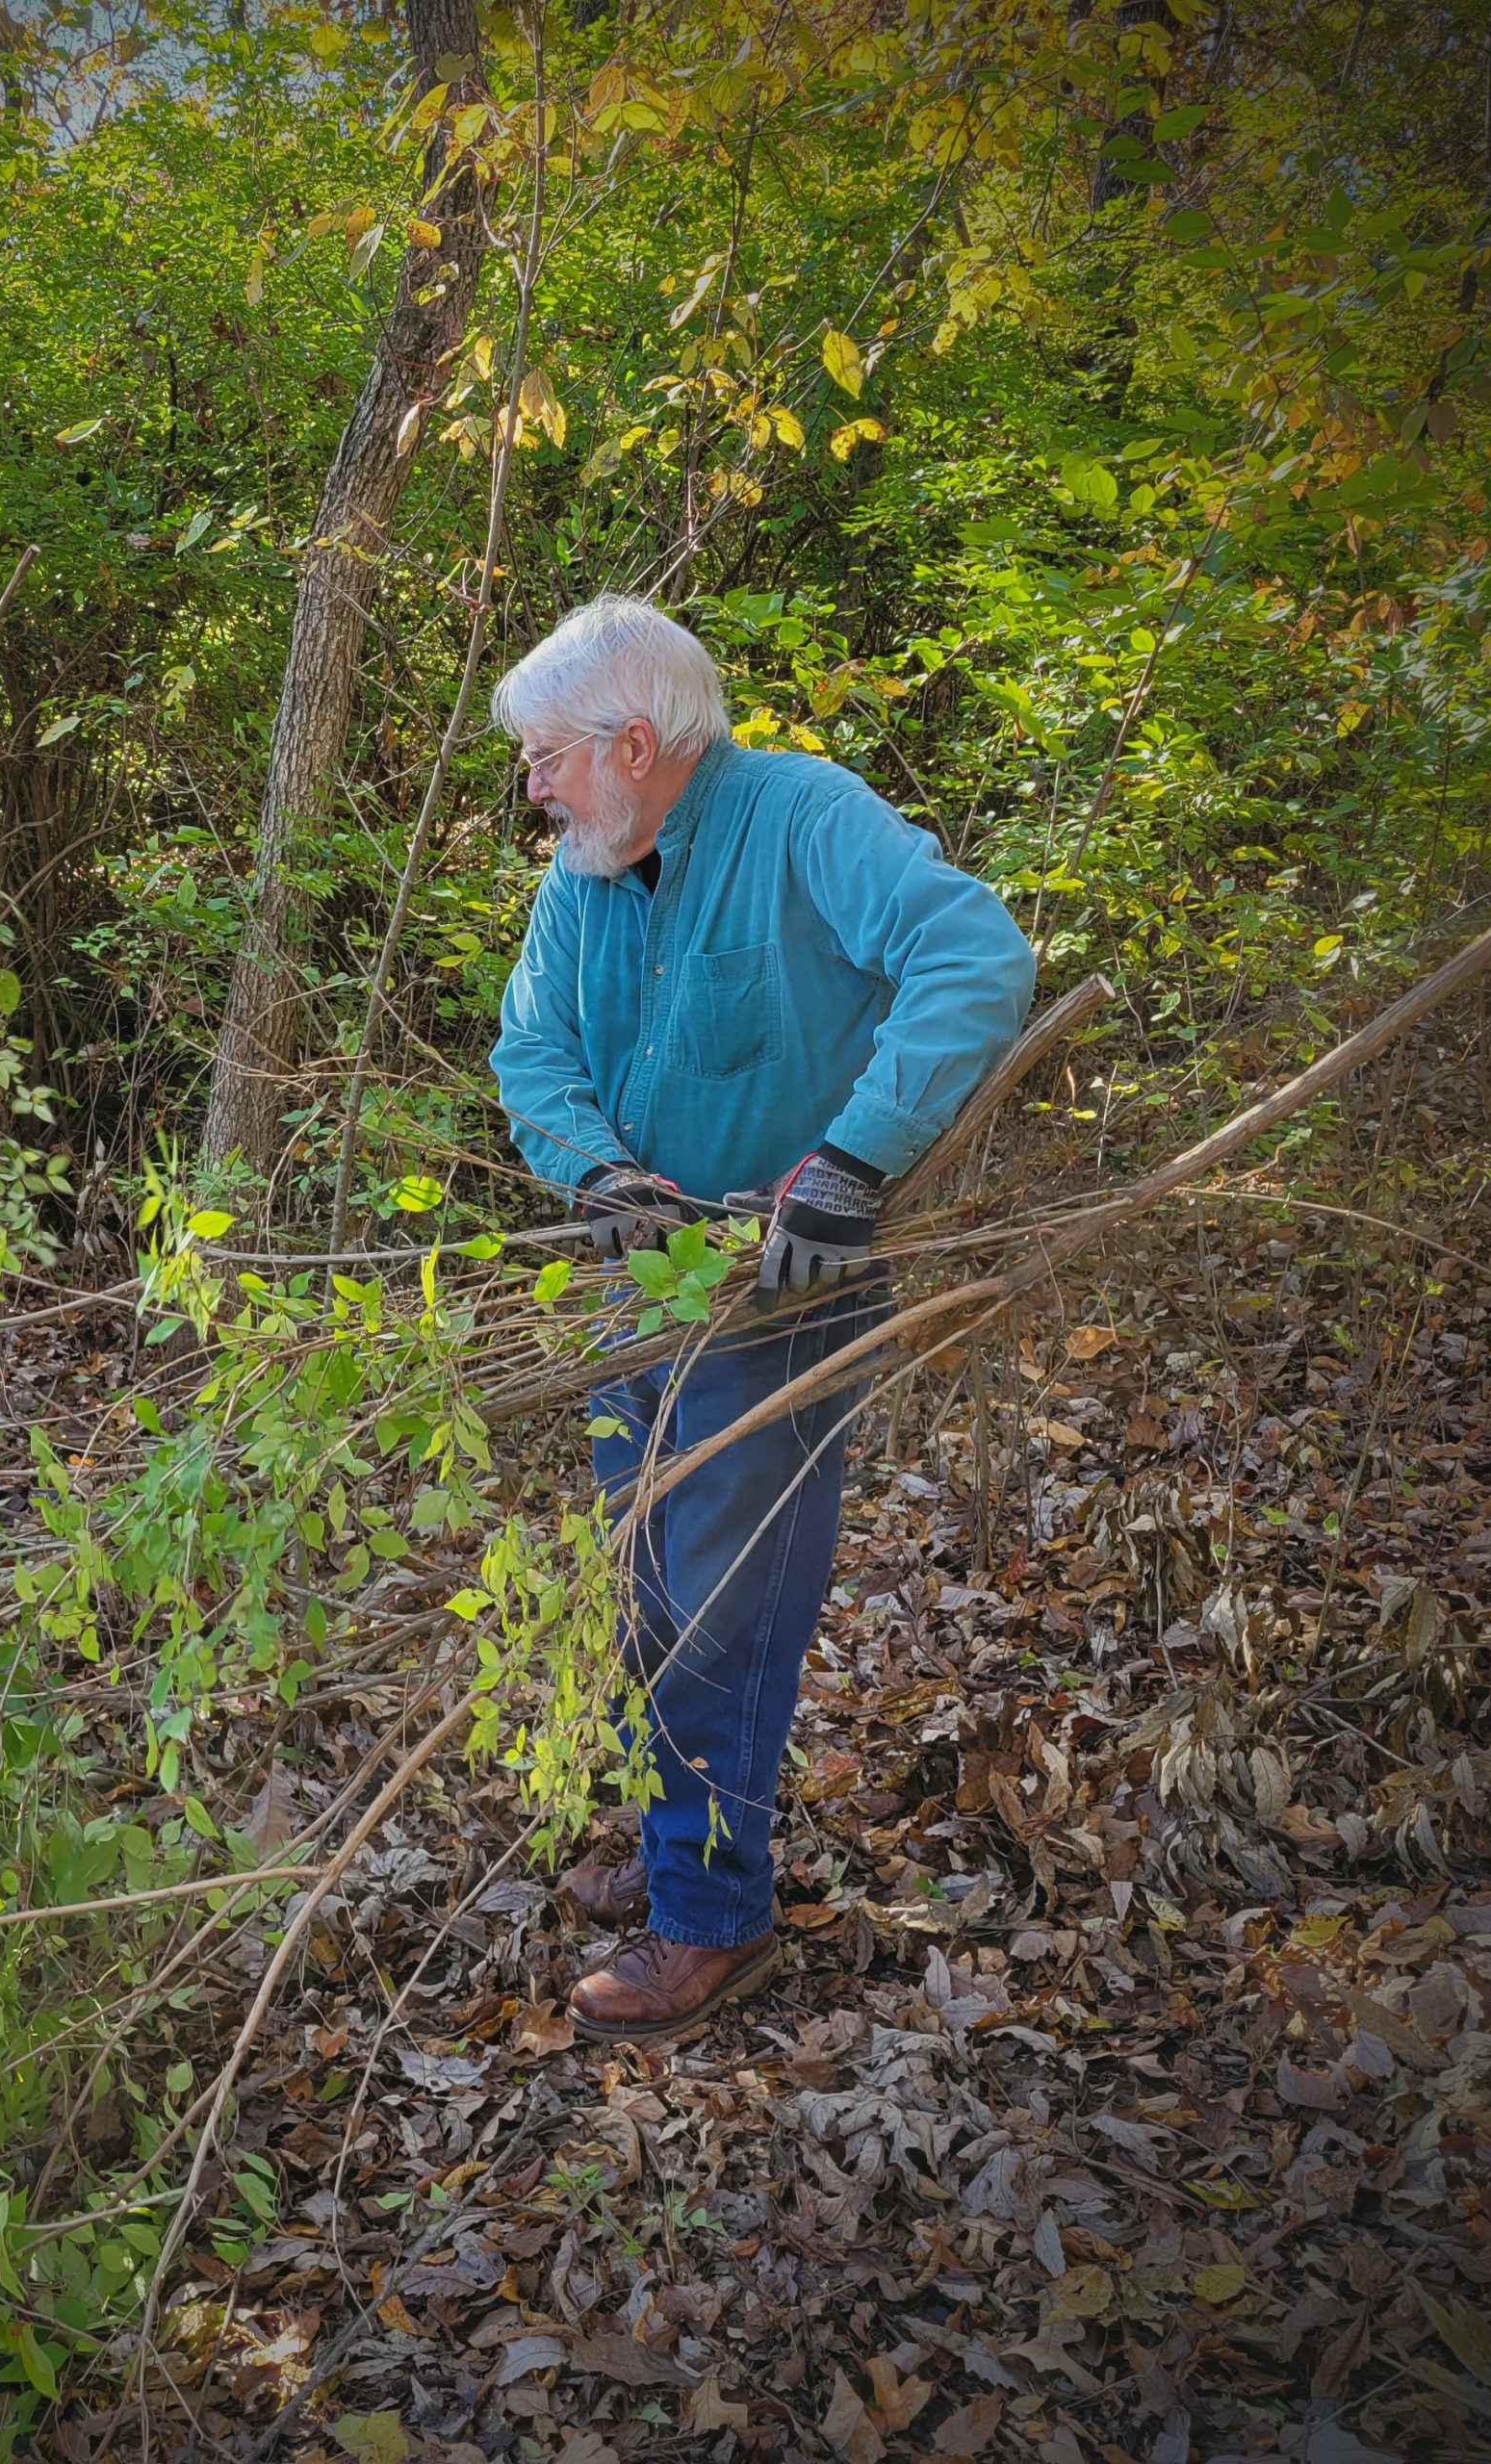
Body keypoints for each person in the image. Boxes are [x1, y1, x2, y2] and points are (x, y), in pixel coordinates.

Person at [488, 595, 1036, 2040]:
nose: (533, 785)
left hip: (786, 1294)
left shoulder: (800, 815)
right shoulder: (584, 871)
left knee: (726, 1606)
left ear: (632, 740)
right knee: (644, 1581)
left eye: (548, 756)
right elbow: (529, 1047)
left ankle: (714, 1916)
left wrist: (855, 1160)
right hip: (636, 1298)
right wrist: (596, 1167)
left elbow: (975, 955)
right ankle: (679, 1835)